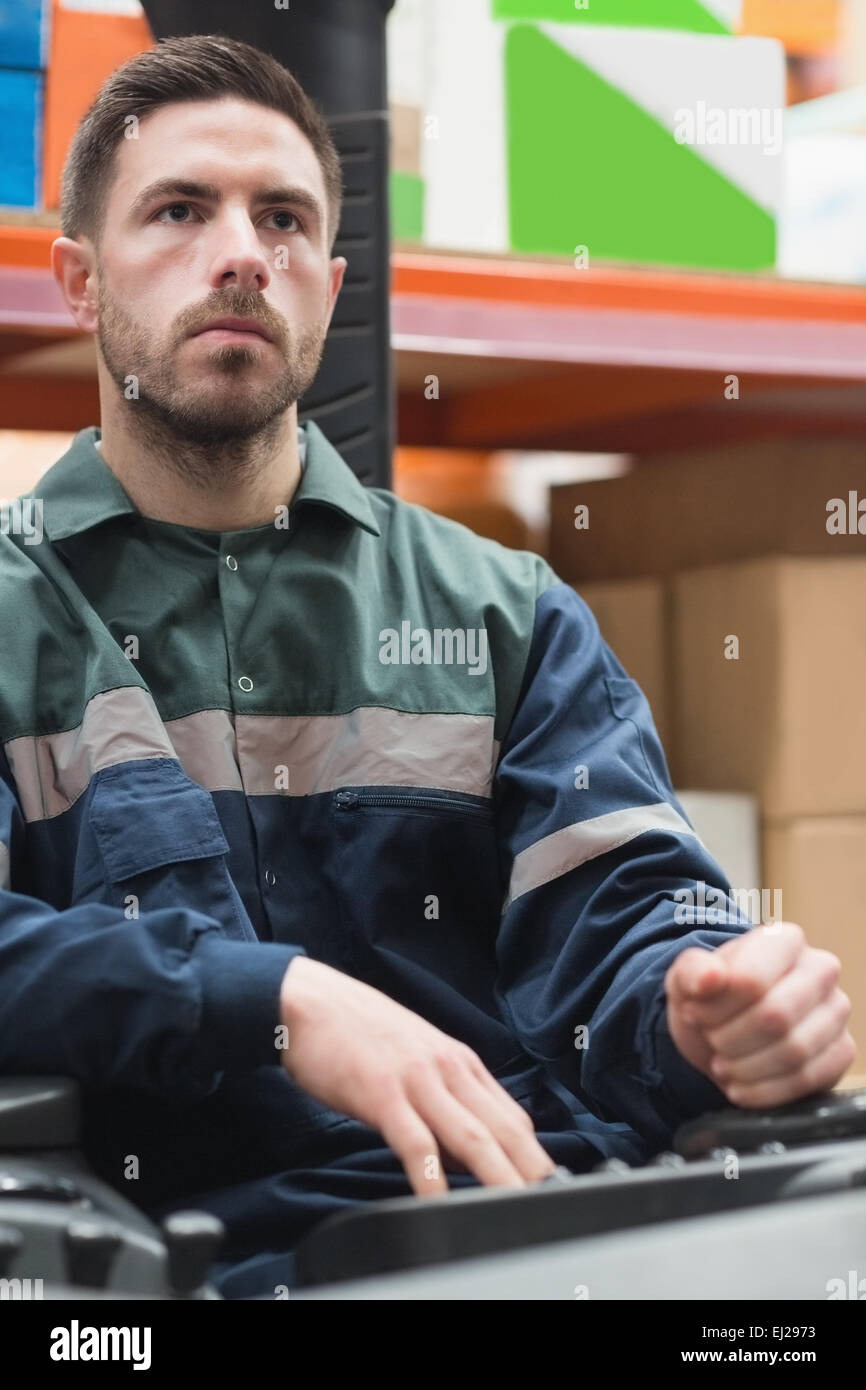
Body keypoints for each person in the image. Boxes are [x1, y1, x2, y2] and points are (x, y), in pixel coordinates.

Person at [0, 35, 854, 1299]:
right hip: (189, 1265)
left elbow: (623, 919)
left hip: (544, 1235)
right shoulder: (17, 617)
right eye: (178, 210)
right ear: (77, 278)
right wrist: (272, 998)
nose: (241, 252)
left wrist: (704, 1002)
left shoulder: (501, 610)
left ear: (331, 285)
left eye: (281, 217)